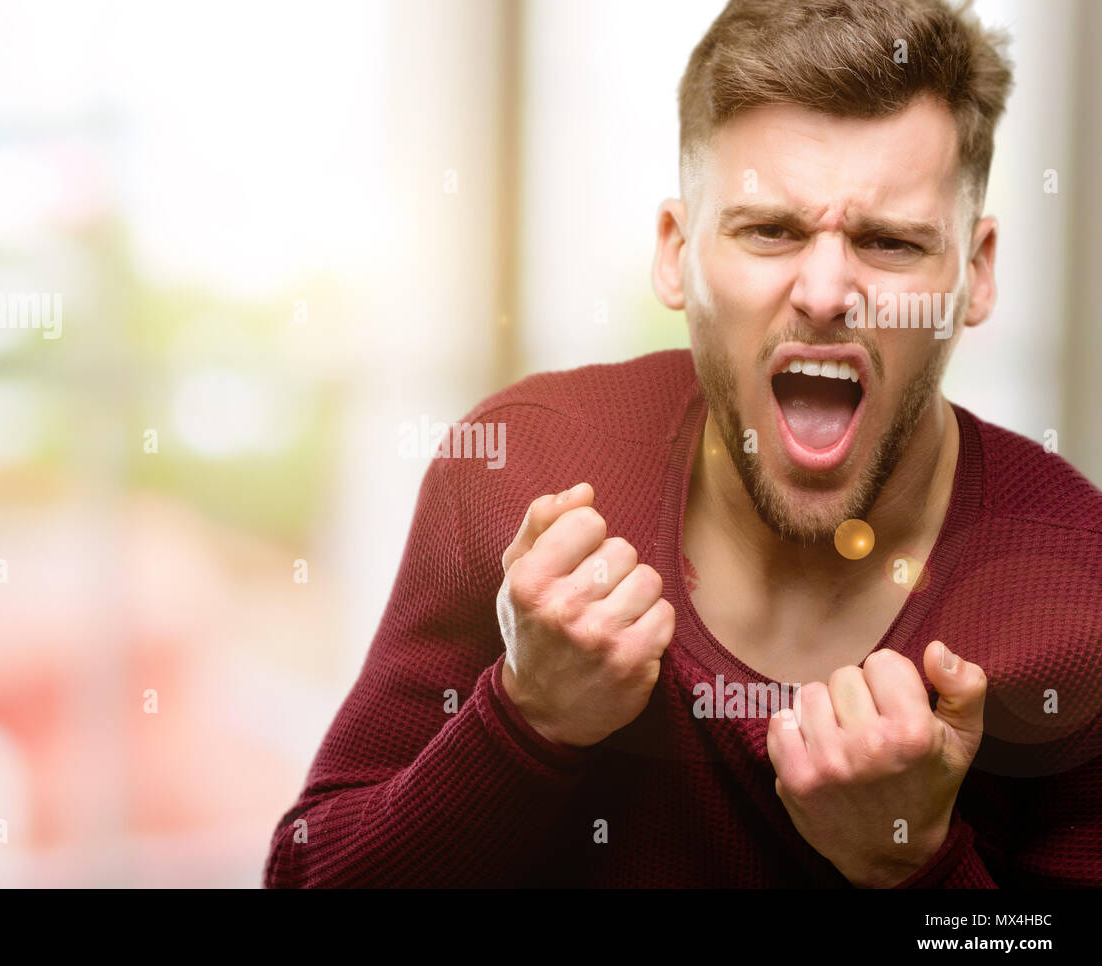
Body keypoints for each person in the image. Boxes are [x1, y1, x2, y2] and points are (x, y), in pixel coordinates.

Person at [265, 0, 1102, 887]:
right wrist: (524, 718)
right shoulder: (517, 465)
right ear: (676, 251)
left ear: (974, 274)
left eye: (889, 242)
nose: (824, 291)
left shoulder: (1076, 590)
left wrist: (914, 864)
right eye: (769, 231)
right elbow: (307, 877)